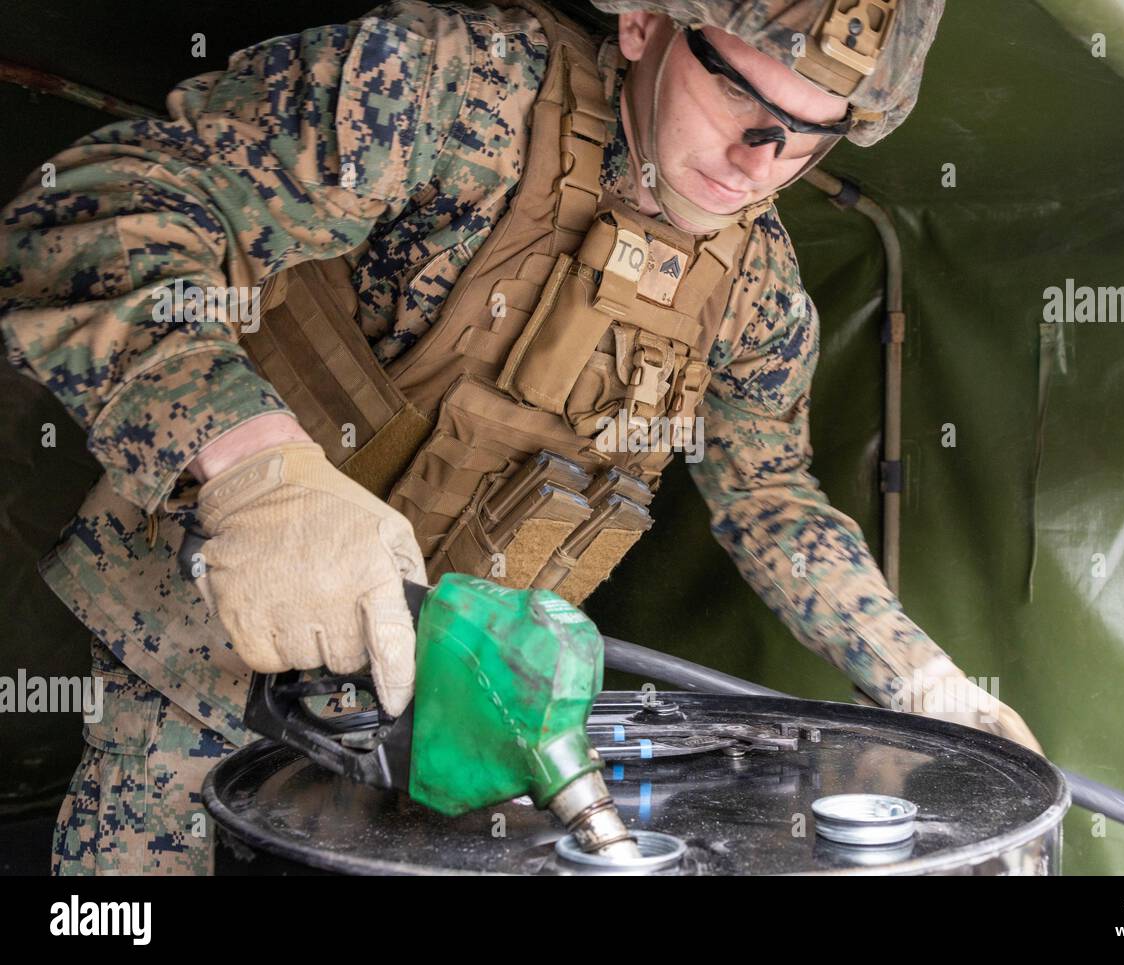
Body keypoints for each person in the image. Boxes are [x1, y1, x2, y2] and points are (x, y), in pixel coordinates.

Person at [0, 0, 1036, 876]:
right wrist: (256, 466)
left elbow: (769, 494)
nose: (760, 162)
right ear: (643, 23)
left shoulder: (755, 287)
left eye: (813, 134)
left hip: (454, 712)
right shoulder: (450, 95)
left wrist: (912, 673)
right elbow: (96, 213)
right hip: (209, 644)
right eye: (740, 97)